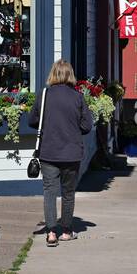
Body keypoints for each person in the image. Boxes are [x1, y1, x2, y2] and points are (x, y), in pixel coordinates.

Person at [27, 59, 94, 247]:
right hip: (71, 152)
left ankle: (50, 232)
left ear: (53, 74)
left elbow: (32, 121)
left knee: (49, 192)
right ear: (70, 75)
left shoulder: (45, 94)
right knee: (68, 193)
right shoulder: (78, 97)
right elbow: (87, 126)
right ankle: (66, 230)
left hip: (48, 150)